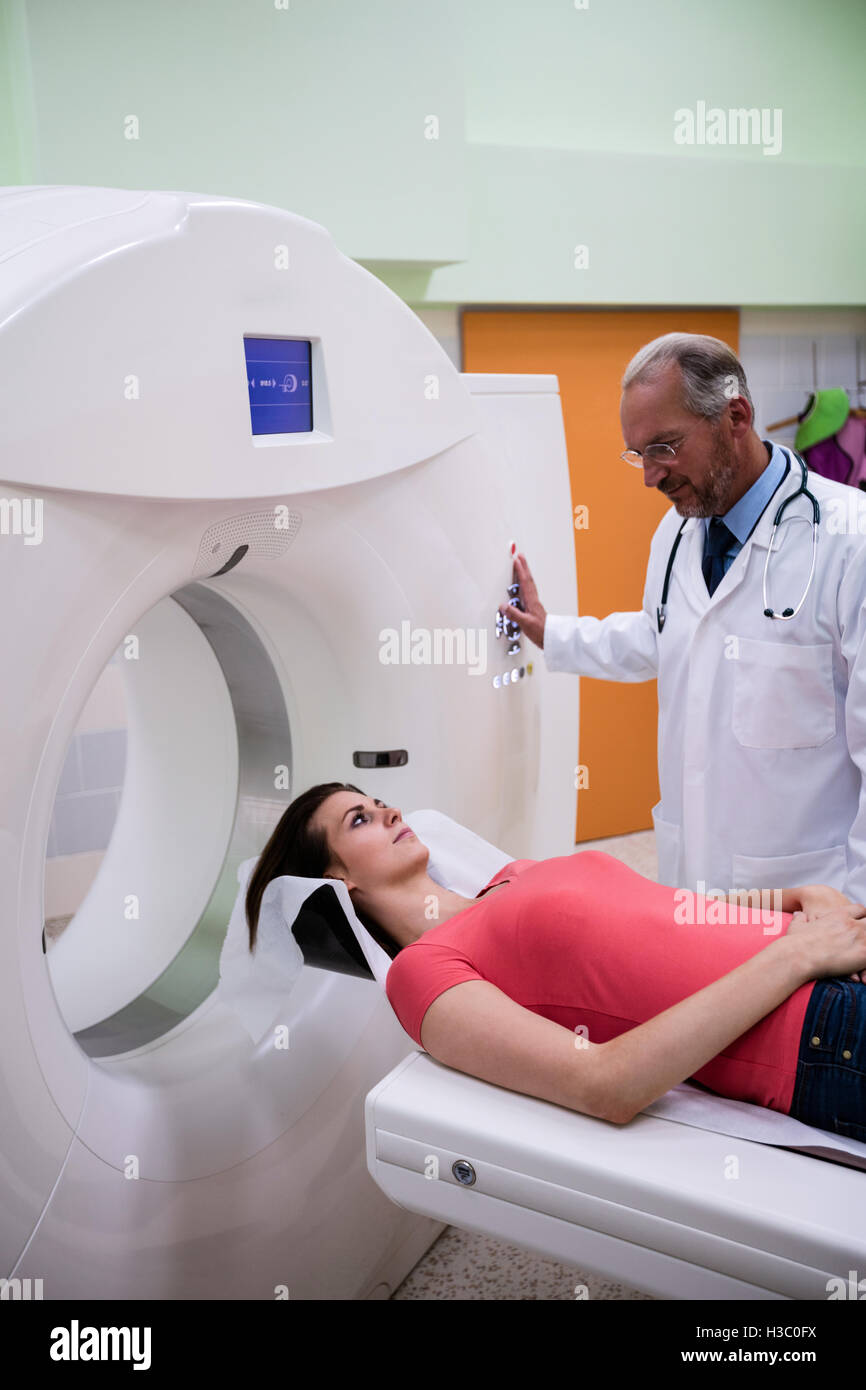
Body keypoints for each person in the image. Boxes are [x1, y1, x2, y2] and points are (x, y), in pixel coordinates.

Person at [245, 783, 866, 1142]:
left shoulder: (513, 876)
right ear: (336, 883)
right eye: (361, 820)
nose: (391, 813)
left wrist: (796, 899)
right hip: (820, 1030)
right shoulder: (423, 972)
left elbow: (668, 913)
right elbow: (606, 1086)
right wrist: (794, 957)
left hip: (829, 948)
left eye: (381, 802)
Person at [498, 333, 866, 906]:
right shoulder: (676, 532)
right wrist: (554, 632)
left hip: (810, 896)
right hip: (691, 880)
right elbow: (661, 634)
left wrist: (859, 913)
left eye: (664, 447)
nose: (650, 475)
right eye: (638, 453)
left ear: (735, 416)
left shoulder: (849, 540)